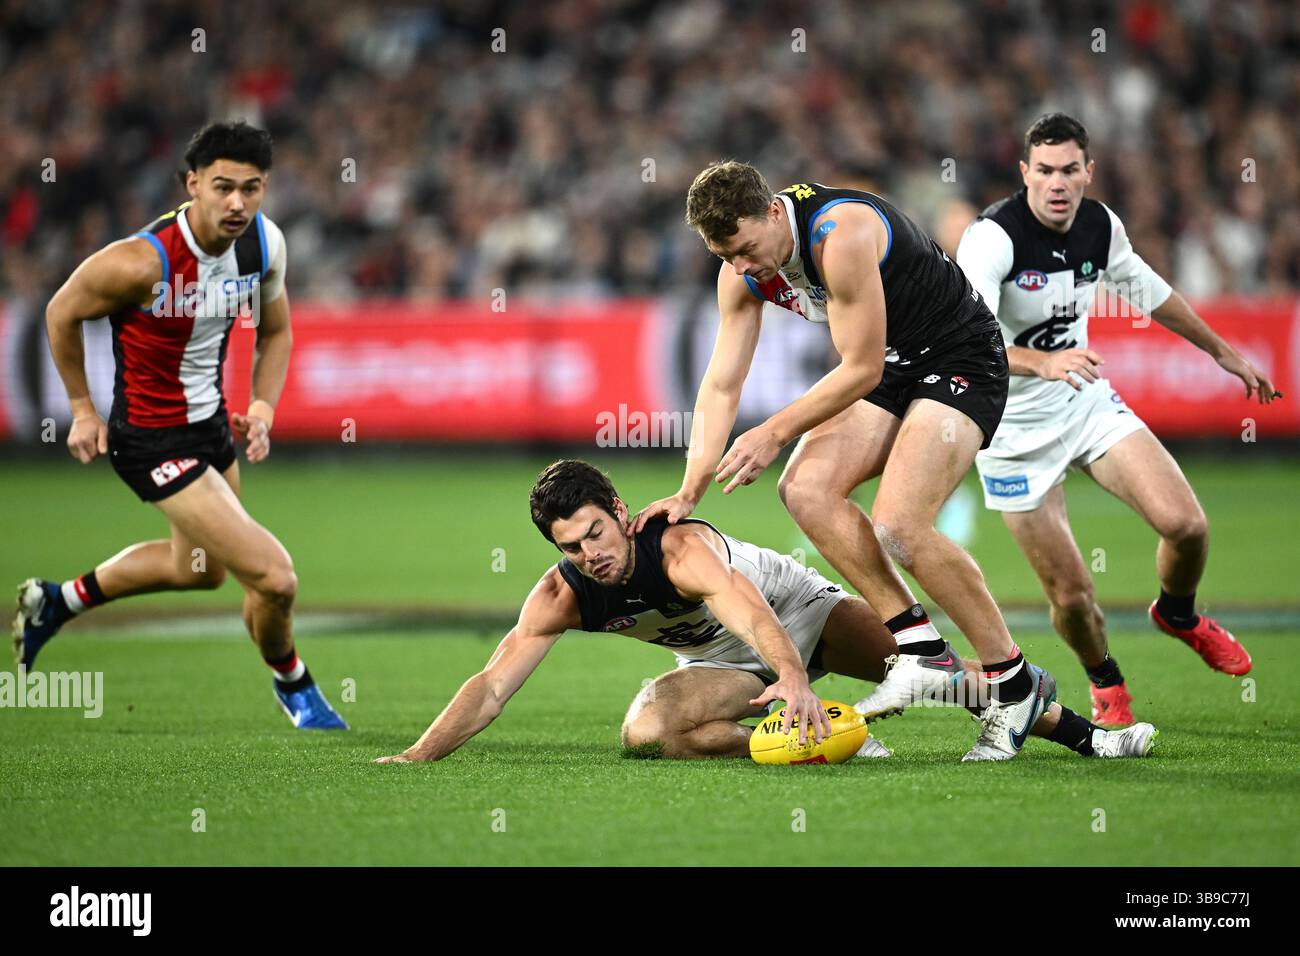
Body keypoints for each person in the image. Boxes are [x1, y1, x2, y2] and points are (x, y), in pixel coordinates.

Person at [634, 161, 1046, 761]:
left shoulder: (840, 233)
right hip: (897, 363)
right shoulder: (741, 272)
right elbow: (721, 384)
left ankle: (1014, 682)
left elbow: (861, 369)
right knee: (804, 490)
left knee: (901, 525)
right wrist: (690, 488)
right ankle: (921, 647)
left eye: (748, 248)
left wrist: (773, 432)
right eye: (727, 257)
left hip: (961, 358)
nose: (743, 267)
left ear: (774, 211)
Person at [376, 460, 1155, 763]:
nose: (592, 556)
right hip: (722, 663)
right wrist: (417, 755)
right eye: (572, 547)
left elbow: (749, 609)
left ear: (619, 511)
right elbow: (491, 684)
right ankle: (827, 739)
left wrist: (796, 673)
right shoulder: (563, 595)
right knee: (647, 733)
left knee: (951, 681)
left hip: (800, 613)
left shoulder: (677, 551)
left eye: (596, 534)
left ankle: (1091, 740)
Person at [12, 120, 346, 730]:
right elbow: (61, 312)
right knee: (274, 578)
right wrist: (83, 410)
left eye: (252, 188)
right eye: (223, 187)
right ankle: (295, 686)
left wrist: (264, 408)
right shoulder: (143, 261)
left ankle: (55, 603)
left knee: (200, 570)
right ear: (192, 184)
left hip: (210, 430)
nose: (237, 203)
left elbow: (275, 331)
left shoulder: (264, 245)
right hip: (149, 440)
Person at [956, 113, 1280, 728]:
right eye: (1044, 171)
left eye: (1070, 170)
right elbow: (969, 340)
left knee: (1186, 526)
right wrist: (1042, 362)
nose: (1057, 183)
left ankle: (1178, 614)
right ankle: (1106, 681)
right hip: (1010, 430)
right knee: (1074, 597)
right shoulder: (992, 238)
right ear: (1025, 173)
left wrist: (1220, 351)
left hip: (1083, 403)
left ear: (1088, 172)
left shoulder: (1100, 225)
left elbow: (1148, 290)